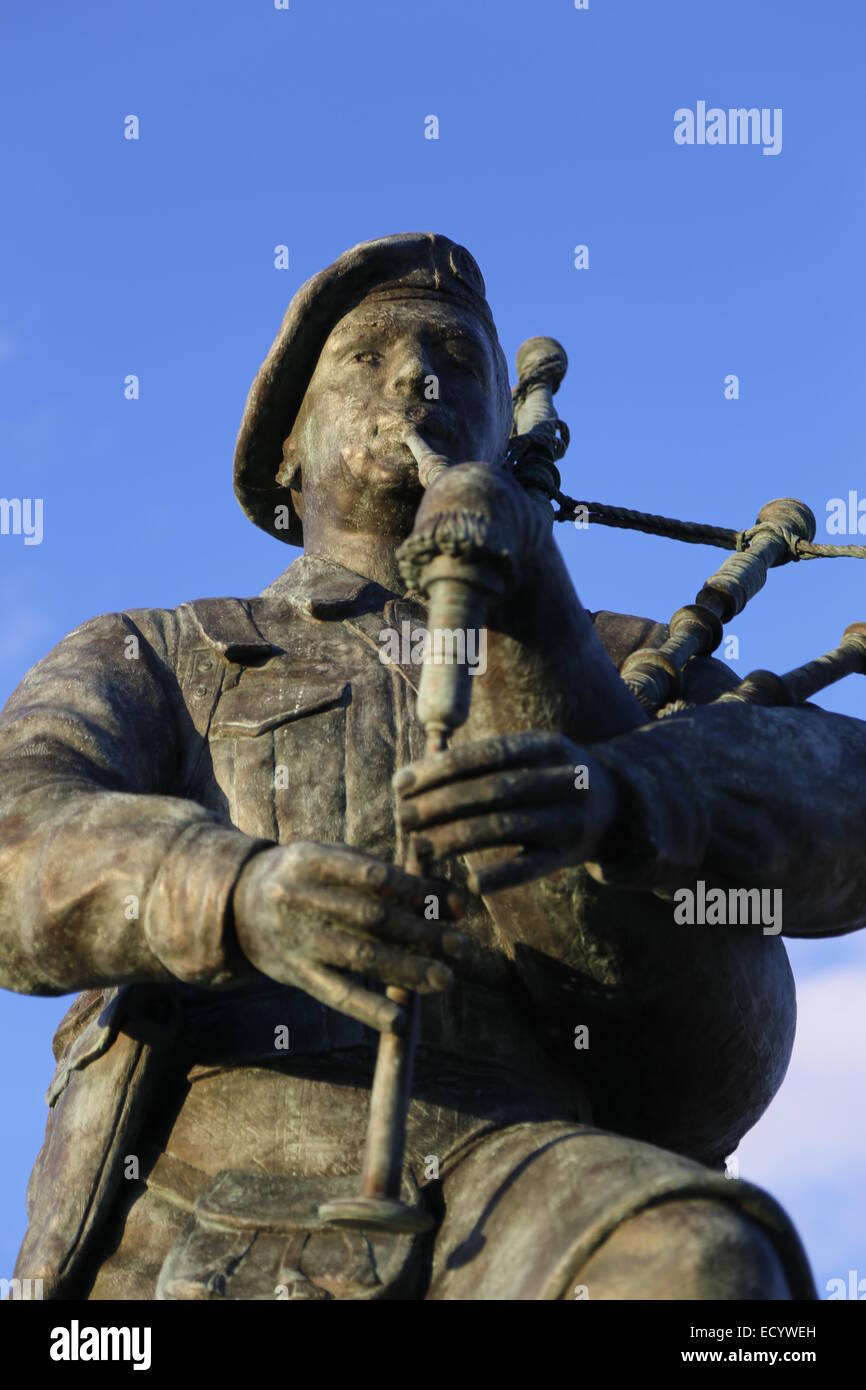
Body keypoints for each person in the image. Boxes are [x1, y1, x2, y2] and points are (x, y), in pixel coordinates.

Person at [3, 233, 861, 1300]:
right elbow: (14, 836)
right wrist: (234, 893)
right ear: (286, 453)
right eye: (366, 356)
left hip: (524, 1182)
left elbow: (845, 803)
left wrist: (636, 784)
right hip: (197, 1196)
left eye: (458, 359)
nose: (418, 376)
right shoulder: (165, 652)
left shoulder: (609, 654)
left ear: (504, 437)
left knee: (701, 1263)